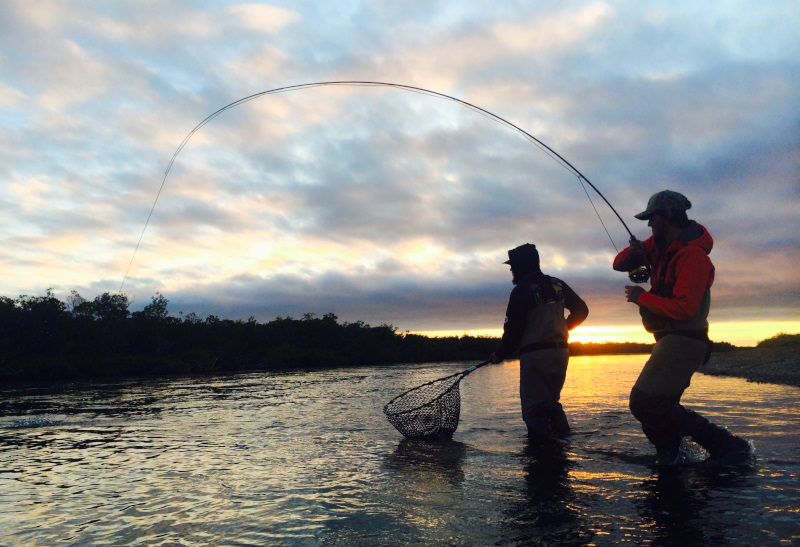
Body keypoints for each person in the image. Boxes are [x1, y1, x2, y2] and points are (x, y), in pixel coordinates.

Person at [613, 189, 751, 465]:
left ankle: (727, 446)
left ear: (667, 215)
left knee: (645, 403)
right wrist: (635, 252)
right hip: (669, 339)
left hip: (686, 339)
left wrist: (642, 298)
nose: (649, 224)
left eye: (652, 218)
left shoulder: (694, 257)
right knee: (660, 405)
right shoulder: (656, 245)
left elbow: (685, 309)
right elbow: (618, 264)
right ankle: (672, 455)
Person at [490, 243, 589, 441]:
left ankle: (542, 456)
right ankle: (564, 443)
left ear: (523, 265)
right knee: (551, 403)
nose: (511, 269)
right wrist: (563, 328)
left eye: (513, 265)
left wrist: (499, 354)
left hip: (536, 357)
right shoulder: (556, 283)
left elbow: (512, 333)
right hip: (561, 353)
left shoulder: (521, 291)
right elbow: (582, 310)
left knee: (534, 410)